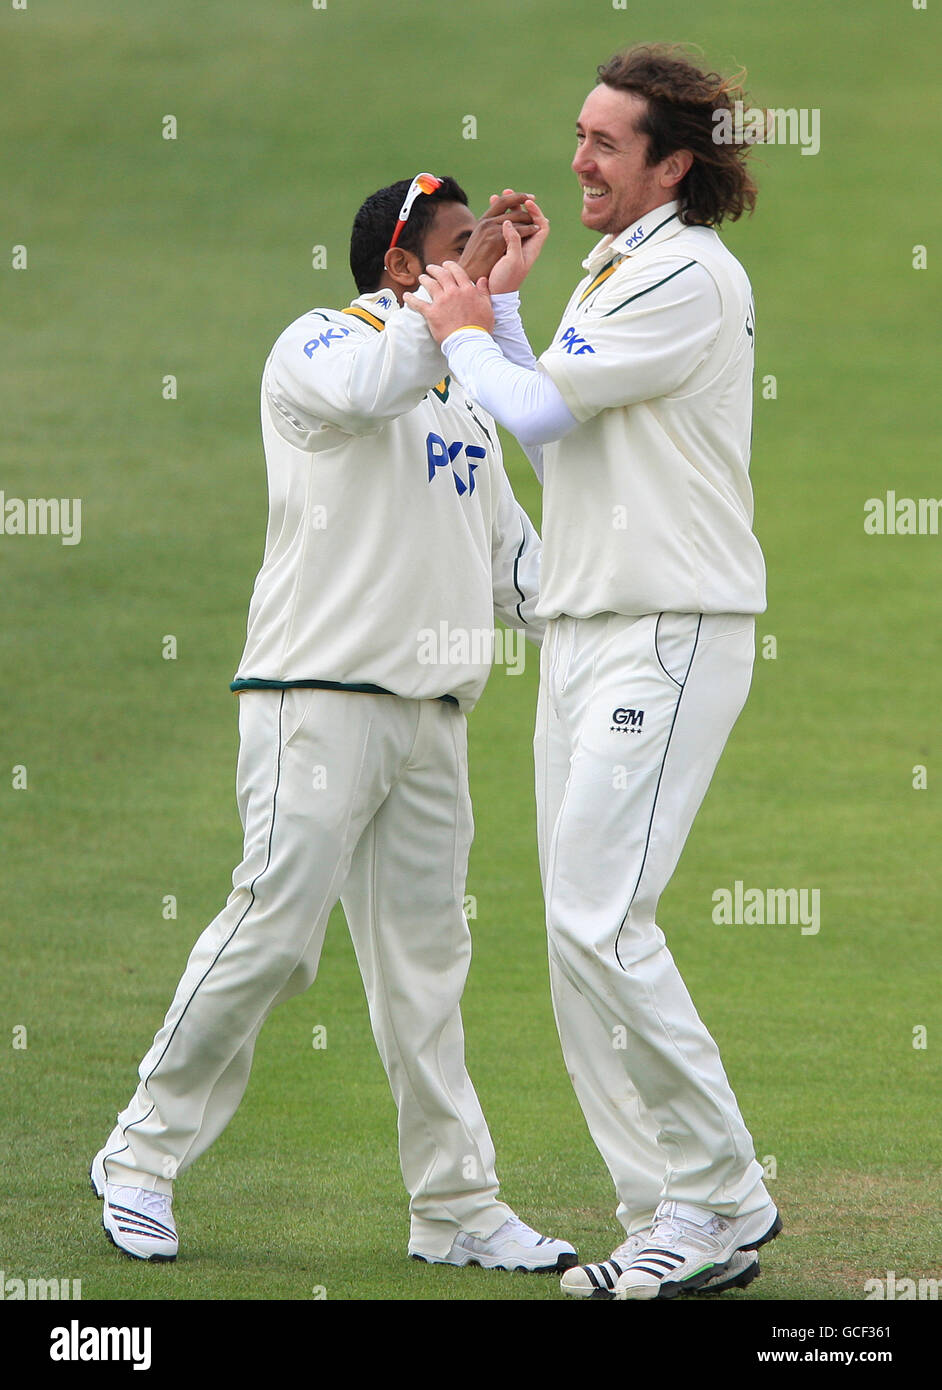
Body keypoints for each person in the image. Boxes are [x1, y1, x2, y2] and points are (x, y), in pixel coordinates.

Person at [90, 174, 578, 1278]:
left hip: (434, 720)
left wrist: (616, 624)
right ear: (400, 265)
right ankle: (139, 1158)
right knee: (273, 935)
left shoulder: (464, 394)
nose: (480, 264)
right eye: (459, 248)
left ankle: (456, 1205)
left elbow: (518, 567)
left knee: (428, 967)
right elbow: (368, 389)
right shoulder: (318, 343)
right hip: (315, 700)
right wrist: (459, 322)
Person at [405, 45, 781, 1301]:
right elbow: (557, 393)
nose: (577, 161)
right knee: (579, 939)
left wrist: (460, 325)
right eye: (579, 135)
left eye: (606, 144)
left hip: (664, 630)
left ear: (674, 163)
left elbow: (541, 415)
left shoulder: (685, 274)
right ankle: (663, 1212)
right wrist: (502, 311)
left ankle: (723, 1196)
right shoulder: (622, 265)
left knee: (599, 920)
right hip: (582, 632)